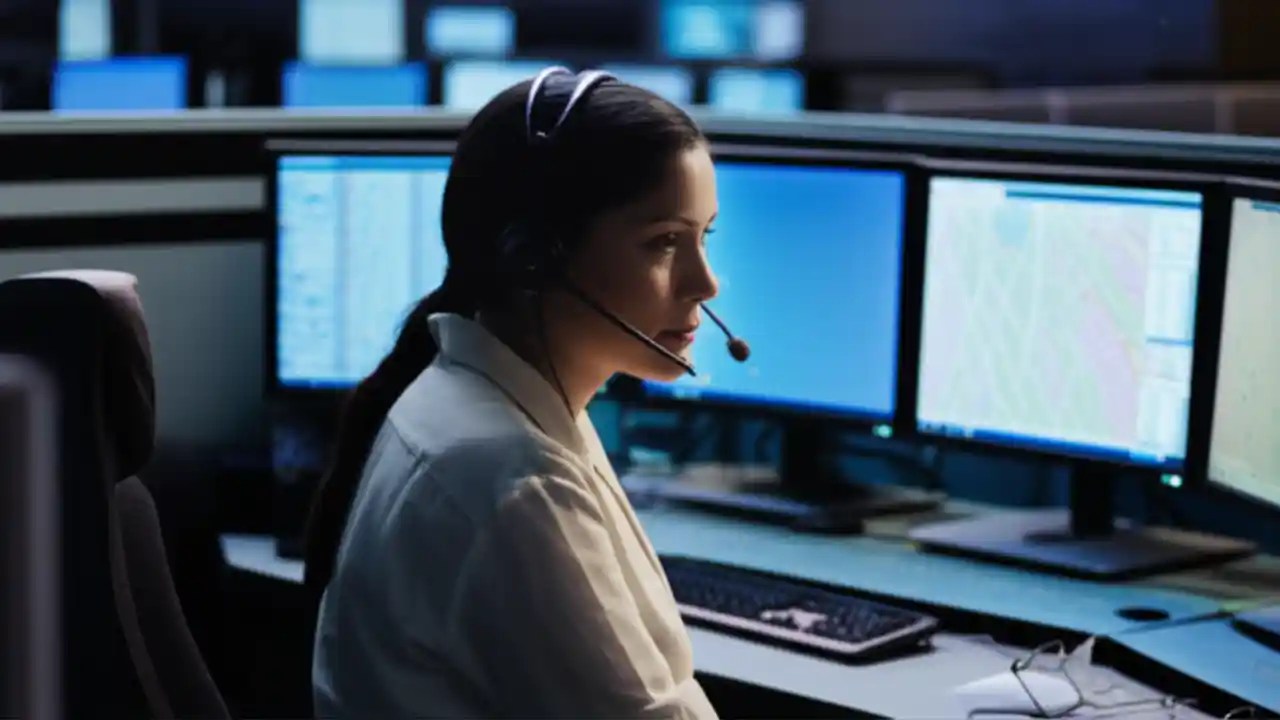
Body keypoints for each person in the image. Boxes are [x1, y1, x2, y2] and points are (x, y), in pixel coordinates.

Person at [305, 68, 722, 719]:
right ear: (533, 256)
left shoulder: (480, 403)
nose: (706, 283)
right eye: (665, 242)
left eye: (705, 237)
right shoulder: (509, 478)